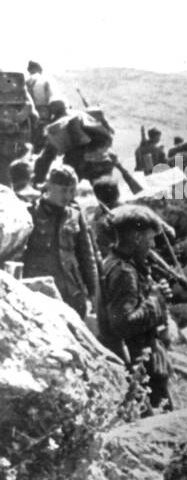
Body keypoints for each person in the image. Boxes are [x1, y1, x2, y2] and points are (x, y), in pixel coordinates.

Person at [100, 206, 172, 410]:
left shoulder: (120, 264)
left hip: (141, 362)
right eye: (149, 239)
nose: (152, 245)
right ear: (136, 238)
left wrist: (156, 294)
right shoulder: (124, 272)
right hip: (139, 366)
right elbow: (124, 323)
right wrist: (156, 299)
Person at [22, 165, 99, 318]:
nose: (68, 196)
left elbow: (88, 258)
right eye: (63, 190)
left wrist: (94, 293)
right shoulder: (31, 213)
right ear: (49, 186)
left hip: (71, 292)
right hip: (42, 293)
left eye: (72, 190)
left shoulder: (75, 216)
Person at [33, 100, 115, 184]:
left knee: (68, 165)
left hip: (85, 155)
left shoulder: (58, 125)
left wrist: (38, 179)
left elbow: (48, 156)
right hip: (99, 150)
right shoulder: (80, 114)